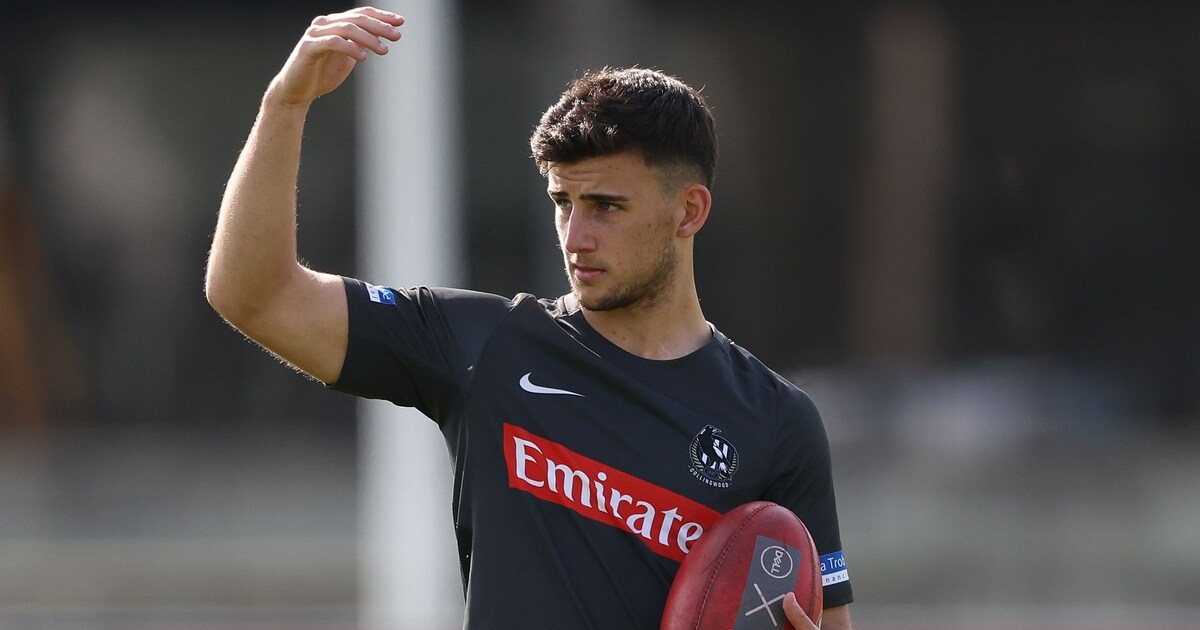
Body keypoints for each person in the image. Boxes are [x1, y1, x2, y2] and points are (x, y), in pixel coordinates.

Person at [205, 7, 854, 629]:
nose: (575, 236)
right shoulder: (483, 344)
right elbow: (254, 295)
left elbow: (828, 622)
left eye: (605, 206)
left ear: (689, 212)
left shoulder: (777, 422)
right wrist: (283, 106)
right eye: (561, 201)